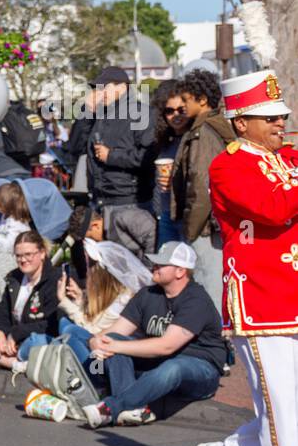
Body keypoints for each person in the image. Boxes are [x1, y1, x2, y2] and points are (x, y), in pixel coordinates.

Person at [196, 69, 298, 446]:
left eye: (282, 115)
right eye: (269, 117)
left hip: (292, 297)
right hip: (261, 300)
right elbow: (275, 209)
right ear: (241, 123)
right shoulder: (228, 167)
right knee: (284, 411)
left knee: (291, 413)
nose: (281, 123)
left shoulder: (290, 159)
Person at [80, 241, 226, 428]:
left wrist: (114, 346)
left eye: (161, 264)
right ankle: (134, 408)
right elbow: (116, 332)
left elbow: (167, 346)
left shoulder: (196, 300)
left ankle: (110, 408)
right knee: (102, 339)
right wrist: (96, 340)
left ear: (180, 271)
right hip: (160, 364)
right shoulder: (147, 294)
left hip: (200, 369)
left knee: (174, 368)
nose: (154, 266)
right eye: (155, 262)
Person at [69, 66, 157, 256]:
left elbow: (147, 157)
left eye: (103, 87)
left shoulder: (142, 113)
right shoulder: (99, 115)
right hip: (101, 201)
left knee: (133, 263)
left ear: (121, 86)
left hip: (130, 201)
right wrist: (87, 111)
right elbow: (75, 147)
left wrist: (112, 156)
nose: (99, 92)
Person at [168, 69, 231, 312]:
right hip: (208, 224)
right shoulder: (204, 128)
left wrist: (191, 230)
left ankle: (215, 343)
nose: (181, 106)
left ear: (202, 100)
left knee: (209, 288)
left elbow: (201, 185)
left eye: (185, 100)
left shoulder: (204, 133)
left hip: (205, 227)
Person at [0, 230, 59, 372]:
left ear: (42, 253)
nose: (23, 260)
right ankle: (15, 364)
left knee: (39, 342)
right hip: (11, 341)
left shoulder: (54, 279)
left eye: (28, 254)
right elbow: (1, 313)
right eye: (18, 256)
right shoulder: (14, 277)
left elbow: (52, 324)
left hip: (32, 339)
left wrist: (17, 334)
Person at [54, 238, 148, 367]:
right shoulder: (110, 293)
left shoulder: (123, 300)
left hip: (114, 357)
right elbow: (92, 321)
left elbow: (93, 331)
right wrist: (80, 299)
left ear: (100, 272)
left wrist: (64, 301)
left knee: (68, 329)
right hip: (100, 346)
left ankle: (88, 376)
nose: (86, 271)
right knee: (64, 326)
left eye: (88, 266)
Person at [150, 81, 189, 246]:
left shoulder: (193, 139)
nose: (176, 116)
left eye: (181, 110)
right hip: (166, 213)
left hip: (186, 214)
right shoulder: (164, 141)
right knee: (166, 267)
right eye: (169, 111)